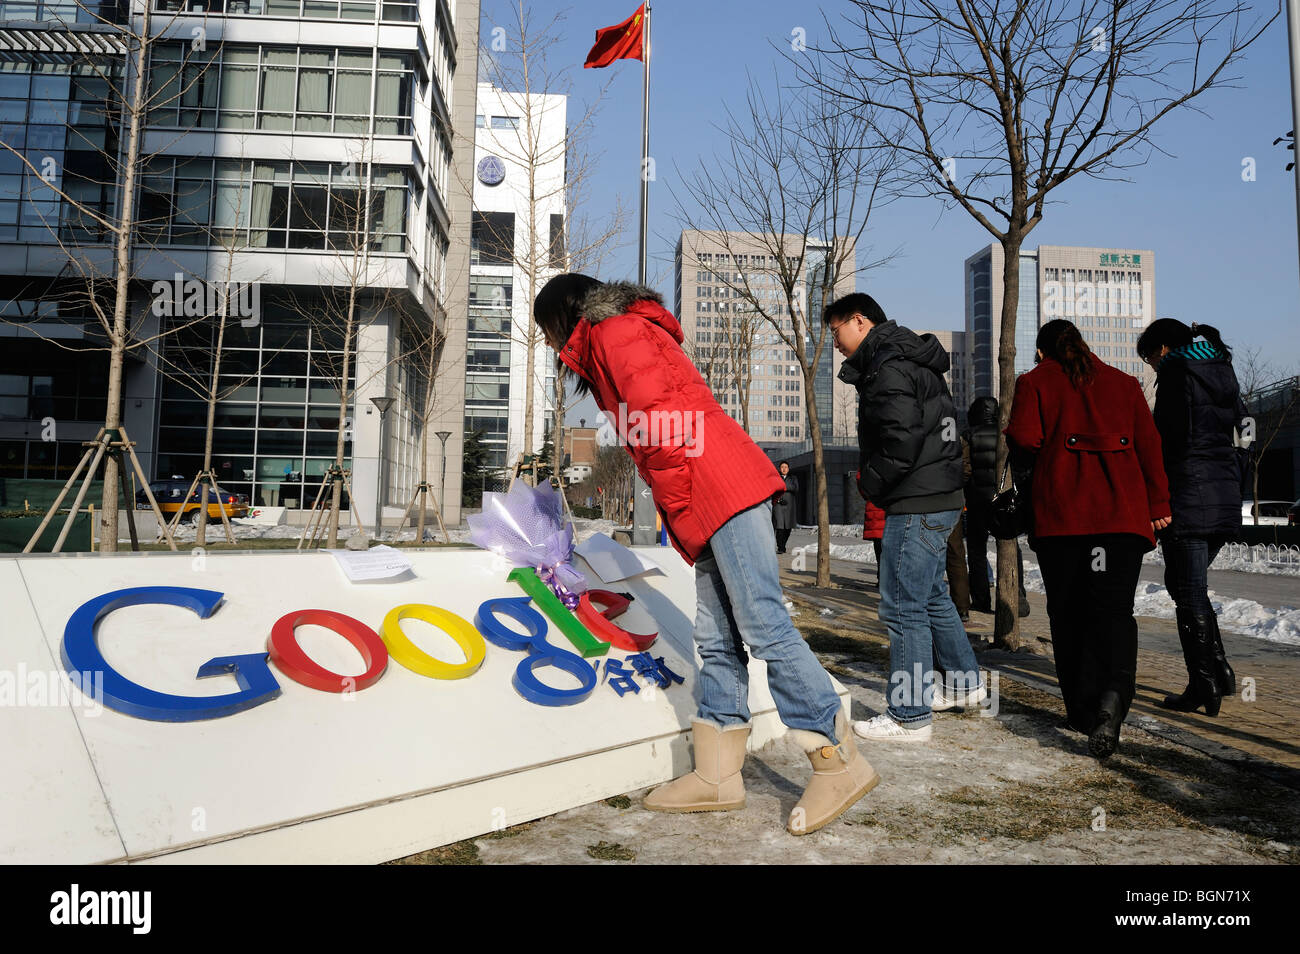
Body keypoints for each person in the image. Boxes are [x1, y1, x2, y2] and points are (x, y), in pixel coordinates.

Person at [535, 274, 879, 835]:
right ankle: (718, 773)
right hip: (705, 491)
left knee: (764, 624)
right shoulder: (612, 337)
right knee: (715, 636)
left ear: (562, 316)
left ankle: (838, 762)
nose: (549, 345)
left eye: (546, 331)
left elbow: (663, 429)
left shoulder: (614, 332)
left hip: (719, 486)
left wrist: (679, 507)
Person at [1006, 319, 1171, 760]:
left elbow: (1024, 438)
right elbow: (1149, 446)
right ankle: (1114, 696)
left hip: (1064, 519)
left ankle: (1080, 710)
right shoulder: (1124, 383)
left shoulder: (1035, 382)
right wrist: (1158, 505)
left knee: (1068, 613)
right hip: (1121, 519)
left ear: (1042, 352)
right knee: (1114, 612)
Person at [826, 293, 987, 743]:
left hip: (916, 499)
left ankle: (909, 715)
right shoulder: (906, 357)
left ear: (859, 321)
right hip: (938, 495)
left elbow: (901, 440)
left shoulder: (887, 366)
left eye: (836, 330)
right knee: (932, 595)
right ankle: (964, 682)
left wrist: (869, 484)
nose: (835, 342)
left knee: (902, 606)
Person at [1137, 319, 1244, 716]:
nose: (1150, 366)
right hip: (1223, 495)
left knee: (1189, 590)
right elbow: (1243, 432)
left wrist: (1157, 495)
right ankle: (1219, 671)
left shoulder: (1177, 375)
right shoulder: (1223, 371)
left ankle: (1204, 684)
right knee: (1187, 586)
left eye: (1149, 357)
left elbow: (1166, 443)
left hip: (1188, 496)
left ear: (1163, 349)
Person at [964, 396, 1030, 618]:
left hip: (977, 500)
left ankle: (981, 599)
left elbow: (963, 469)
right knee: (1011, 547)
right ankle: (1017, 594)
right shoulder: (1006, 435)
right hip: (1003, 499)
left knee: (976, 549)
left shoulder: (968, 435)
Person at [772, 460, 798, 554]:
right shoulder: (775, 478)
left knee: (788, 528)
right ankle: (781, 547)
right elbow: (773, 489)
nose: (784, 469)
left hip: (789, 507)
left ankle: (783, 545)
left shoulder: (793, 478)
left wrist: (783, 486)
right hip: (778, 505)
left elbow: (795, 488)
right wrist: (777, 500)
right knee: (779, 527)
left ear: (788, 469)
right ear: (779, 468)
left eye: (786, 467)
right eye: (782, 467)